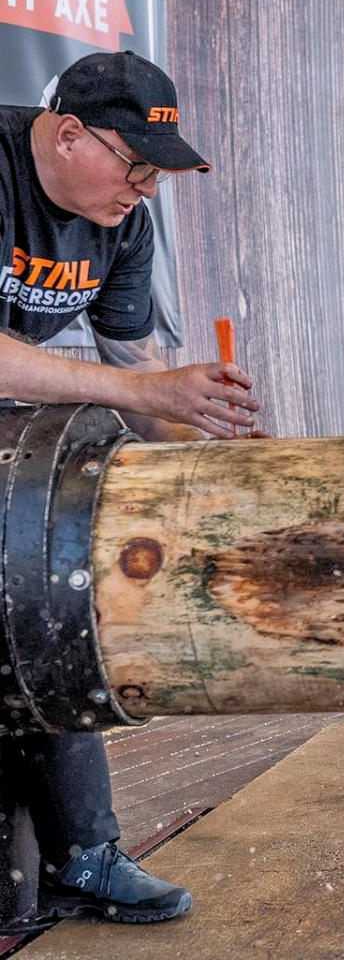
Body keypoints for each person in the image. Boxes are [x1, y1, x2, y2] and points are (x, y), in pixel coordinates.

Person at [1, 50, 259, 926]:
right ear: (69, 134)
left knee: (52, 610)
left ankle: (85, 857)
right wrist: (146, 393)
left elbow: (136, 370)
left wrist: (205, 450)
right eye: (136, 165)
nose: (146, 188)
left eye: (159, 172)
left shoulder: (123, 224)